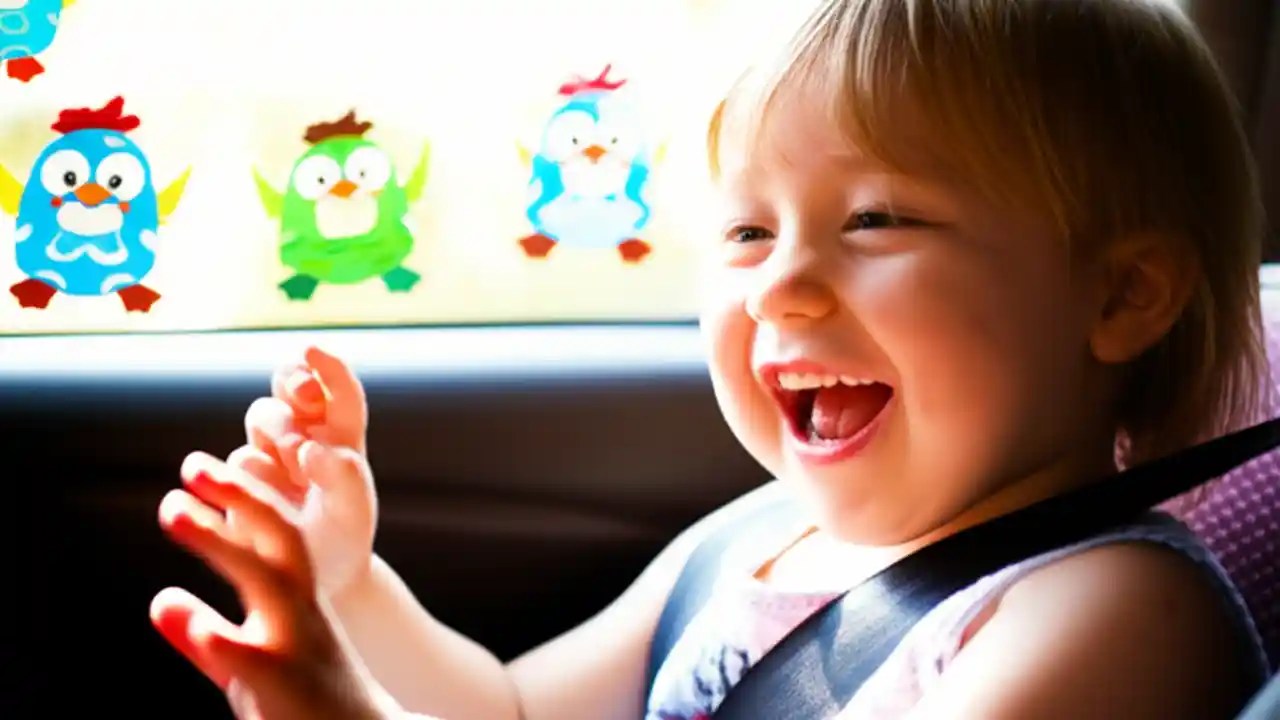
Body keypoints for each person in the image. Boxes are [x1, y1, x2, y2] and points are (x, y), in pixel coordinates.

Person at [149, 0, 1274, 717]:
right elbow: (511, 710)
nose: (776, 282)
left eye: (877, 218)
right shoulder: (756, 539)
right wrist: (350, 586)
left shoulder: (1115, 612)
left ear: (1120, 295)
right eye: (744, 231)